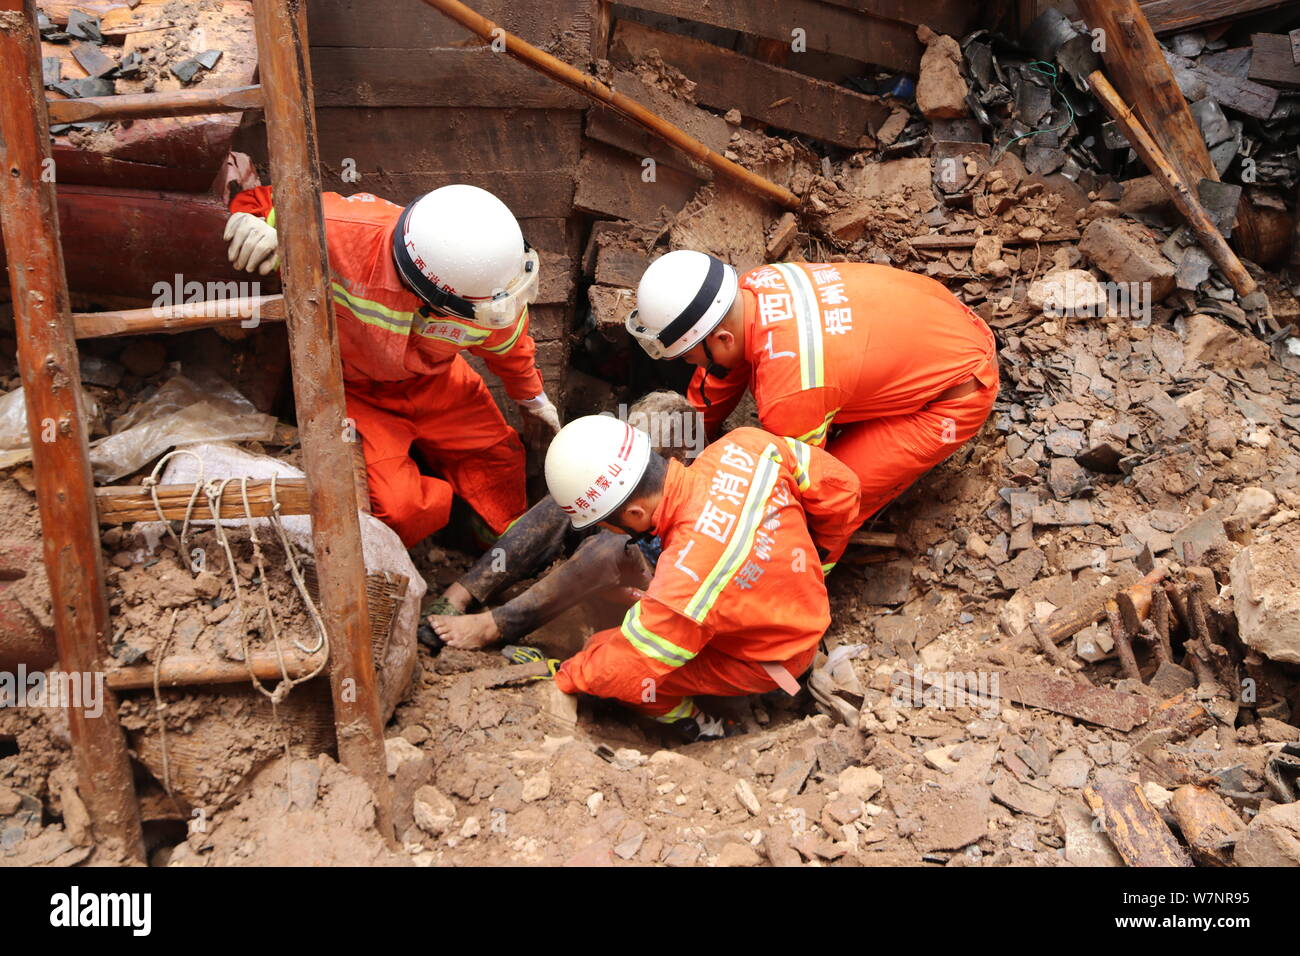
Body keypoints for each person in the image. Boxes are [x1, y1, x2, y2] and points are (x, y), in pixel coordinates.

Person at [223, 183, 560, 547]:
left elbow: (510, 349)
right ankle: (444, 534)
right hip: (355, 392)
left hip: (438, 382)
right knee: (401, 510)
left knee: (498, 458)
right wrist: (253, 221)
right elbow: (259, 200)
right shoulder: (336, 230)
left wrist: (534, 401)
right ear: (430, 296)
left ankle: (502, 547)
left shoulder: (492, 286)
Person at [626, 251, 999, 560]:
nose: (696, 367)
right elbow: (724, 369)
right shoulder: (754, 286)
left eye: (692, 359)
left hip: (953, 395)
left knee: (816, 504)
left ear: (720, 338)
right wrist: (689, 445)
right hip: (937, 321)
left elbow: (813, 487)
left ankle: (809, 585)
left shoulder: (788, 394)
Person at [544, 414, 861, 740]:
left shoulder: (687, 579)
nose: (606, 531)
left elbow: (630, 666)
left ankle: (702, 726)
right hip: (808, 611)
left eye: (606, 524)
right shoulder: (746, 445)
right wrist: (818, 566)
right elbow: (844, 490)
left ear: (634, 514)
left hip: (775, 660)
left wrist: (569, 675)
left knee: (615, 658)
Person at [427, 392, 699, 652]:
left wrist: (635, 594)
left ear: (678, 459)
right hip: (624, 534)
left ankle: (494, 626)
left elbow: (678, 599)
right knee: (572, 498)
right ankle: (464, 591)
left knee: (613, 546)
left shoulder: (694, 513)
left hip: (646, 579)